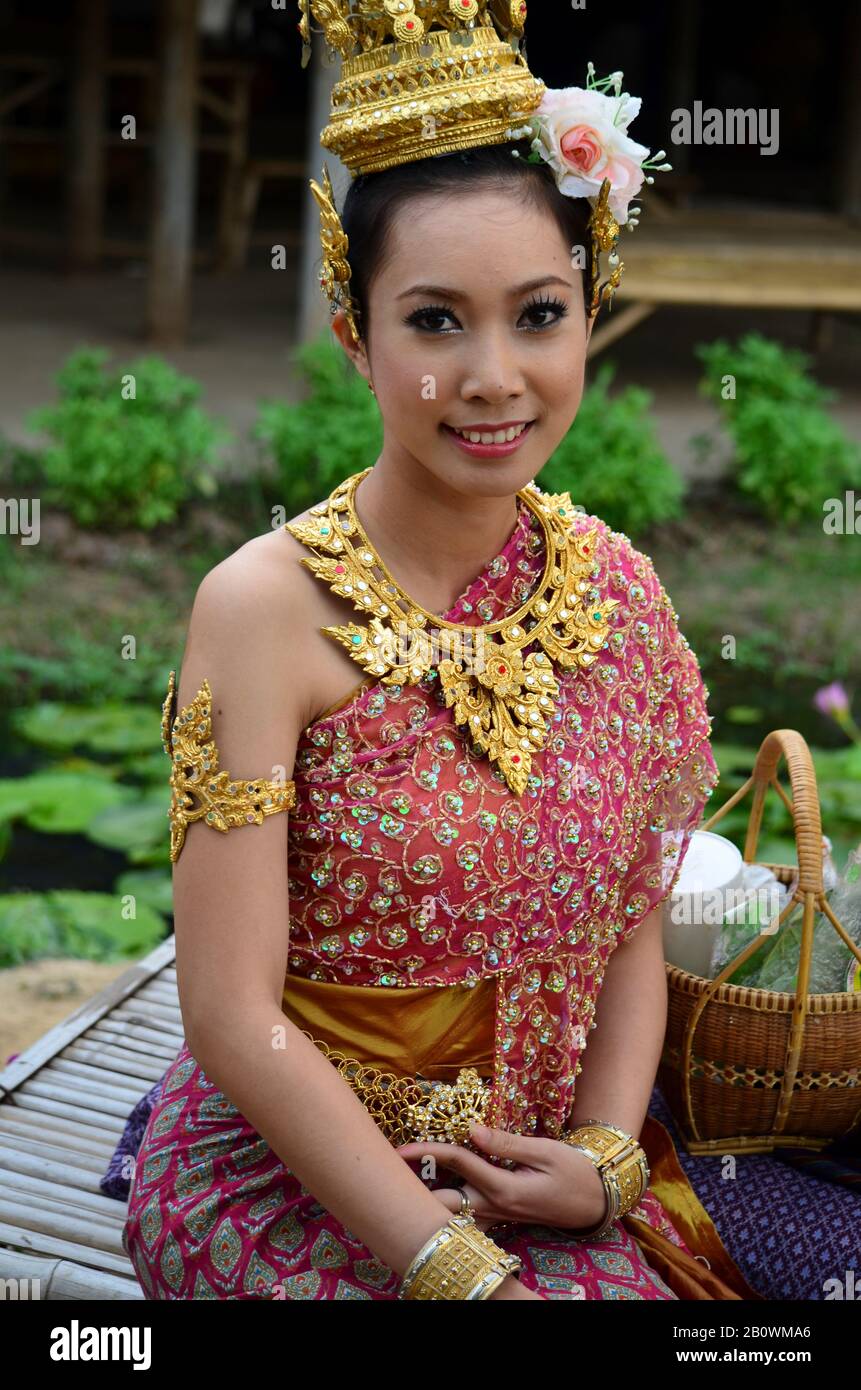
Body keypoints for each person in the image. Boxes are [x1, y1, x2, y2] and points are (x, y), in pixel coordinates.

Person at [123, 1, 741, 1301]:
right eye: (435, 321)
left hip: (545, 1172)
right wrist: (454, 1266)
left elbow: (632, 913)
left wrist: (606, 1161)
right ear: (356, 336)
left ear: (589, 315)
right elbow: (231, 1019)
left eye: (536, 314)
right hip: (306, 1179)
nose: (493, 375)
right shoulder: (261, 611)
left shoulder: (617, 593)